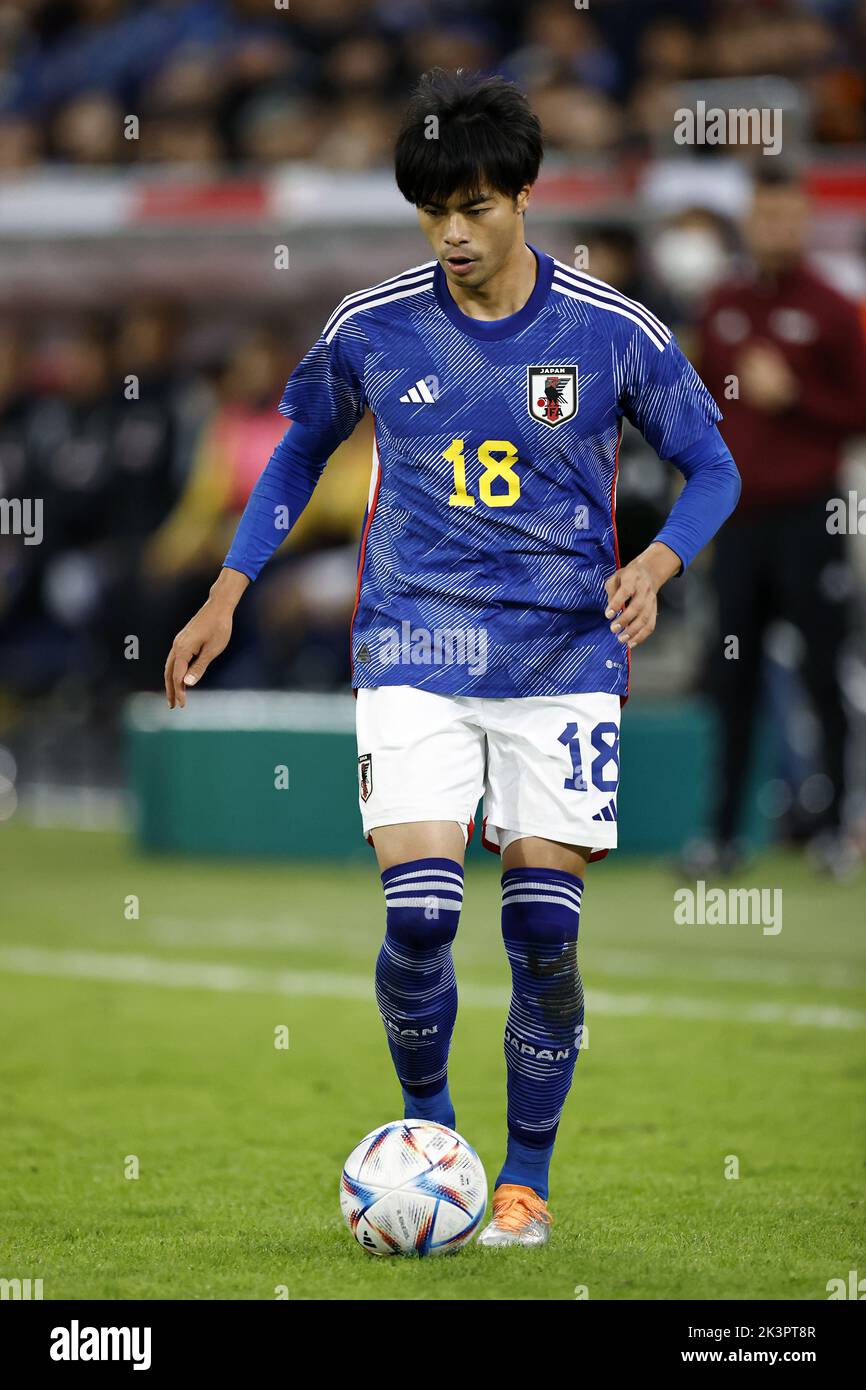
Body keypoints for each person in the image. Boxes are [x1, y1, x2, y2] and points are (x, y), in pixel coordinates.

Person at [162, 70, 740, 1248]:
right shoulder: (371, 326)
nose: (453, 232)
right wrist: (227, 591)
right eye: (433, 212)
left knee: (542, 934)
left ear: (523, 193)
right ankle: (432, 1140)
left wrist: (658, 564)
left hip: (562, 663)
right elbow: (293, 455)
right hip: (412, 652)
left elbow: (713, 466)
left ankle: (523, 1178)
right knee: (421, 918)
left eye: (474, 206)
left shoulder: (608, 330)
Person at [694, 165, 866, 877]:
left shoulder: (831, 307)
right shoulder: (723, 305)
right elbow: (706, 407)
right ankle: (724, 835)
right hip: (737, 521)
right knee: (732, 679)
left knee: (825, 673)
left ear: (804, 221)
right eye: (764, 215)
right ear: (749, 220)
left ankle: (833, 831)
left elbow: (859, 411)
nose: (776, 228)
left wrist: (795, 397)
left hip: (809, 515)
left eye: (788, 216)